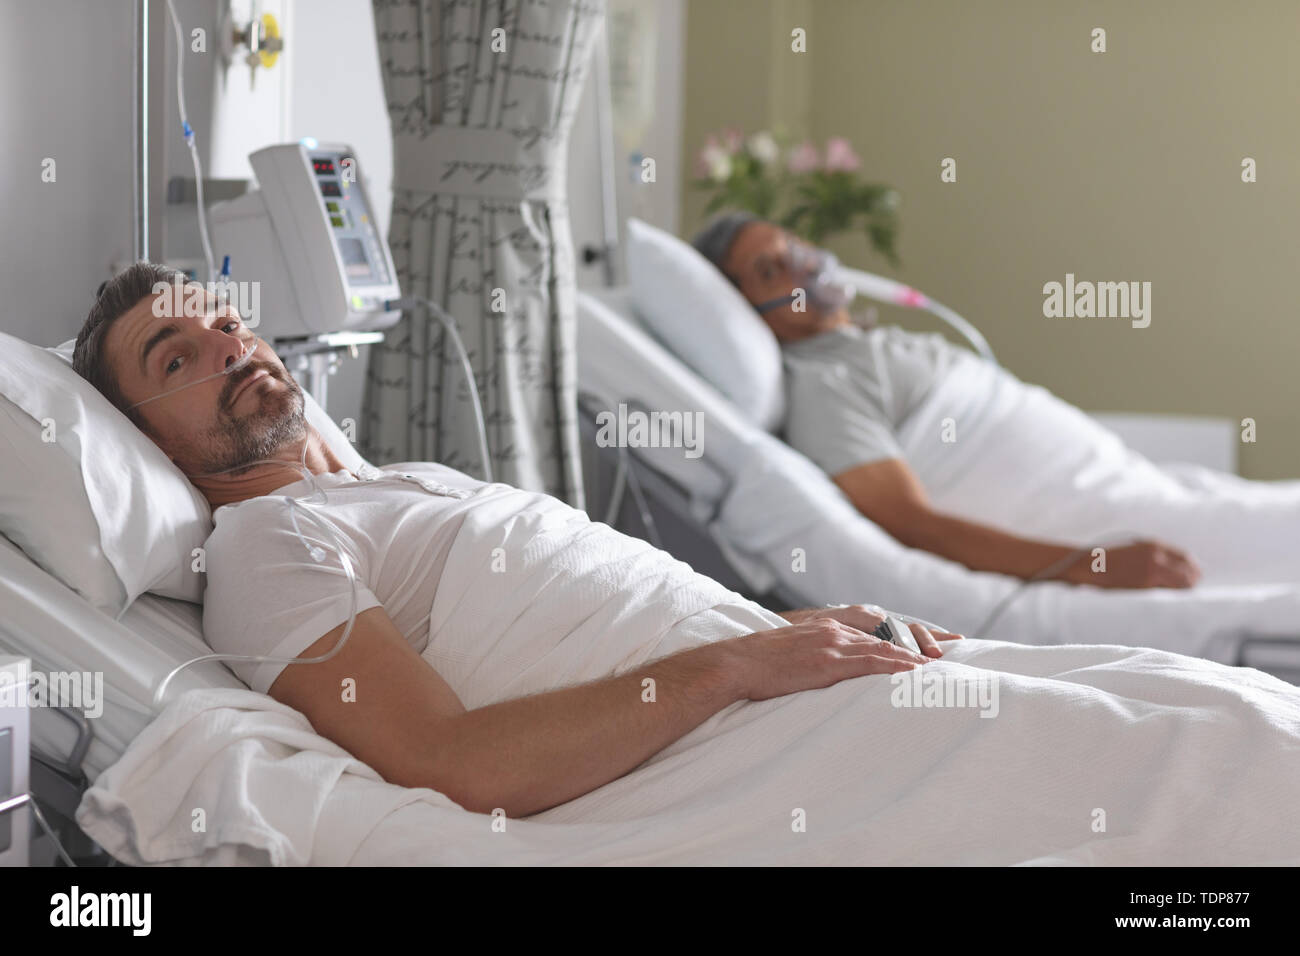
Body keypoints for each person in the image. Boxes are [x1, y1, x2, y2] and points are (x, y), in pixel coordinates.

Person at [72, 262, 957, 818]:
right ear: (142, 441)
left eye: (228, 321)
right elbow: (455, 763)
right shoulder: (266, 549)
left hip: (801, 692)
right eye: (174, 356)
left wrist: (781, 632)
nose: (230, 347)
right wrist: (739, 665)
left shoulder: (394, 482)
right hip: (759, 753)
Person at [691, 212, 1300, 590]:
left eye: (792, 245)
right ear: (750, 314)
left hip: (1135, 481)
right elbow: (909, 524)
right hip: (1105, 516)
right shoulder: (823, 387)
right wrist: (1090, 565)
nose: (802, 265)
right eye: (771, 271)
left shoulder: (863, 344)